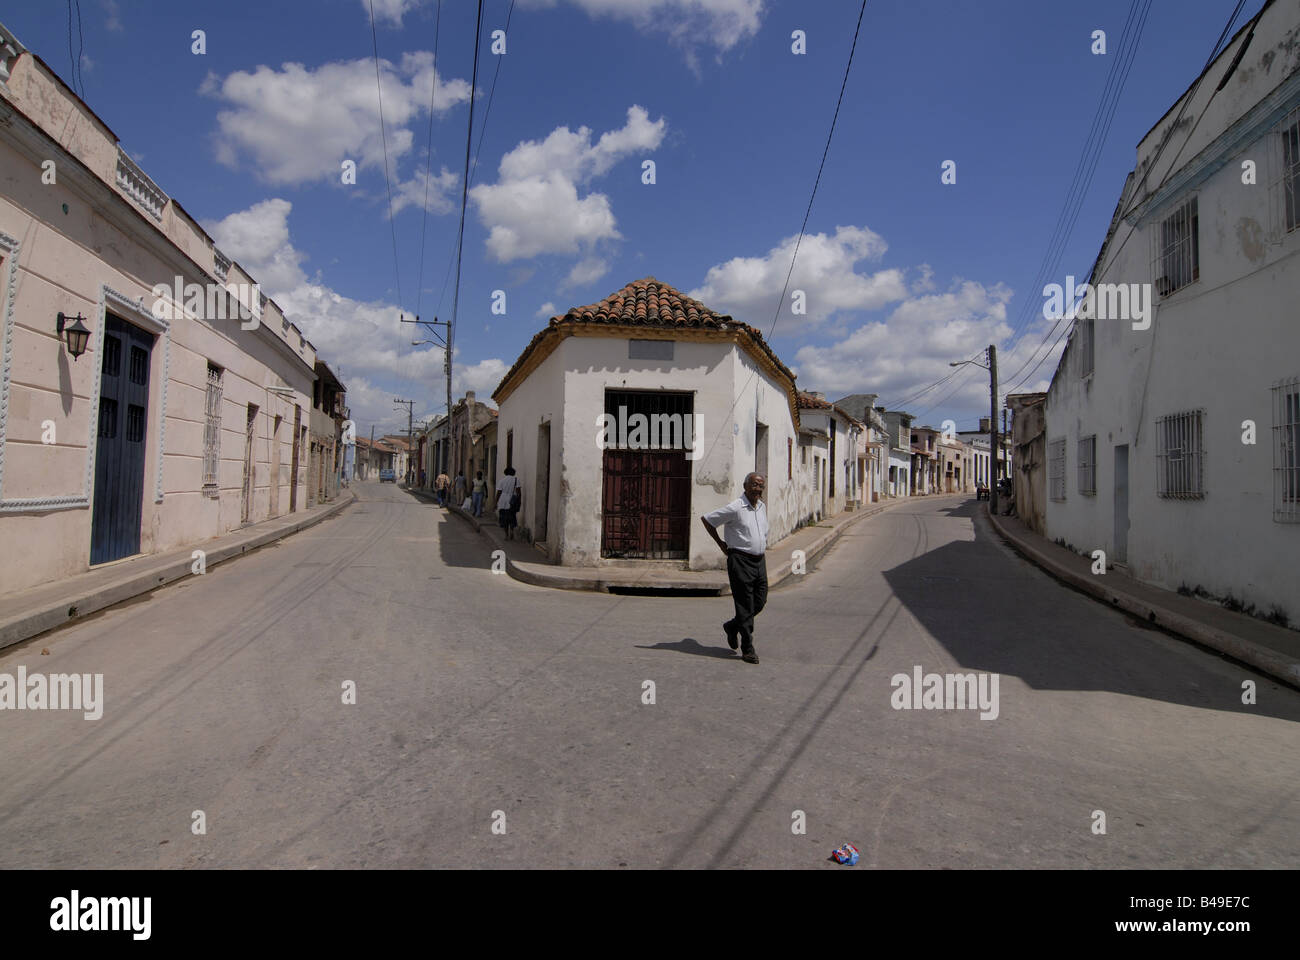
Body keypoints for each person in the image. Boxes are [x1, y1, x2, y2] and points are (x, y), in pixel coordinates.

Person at [700, 472, 769, 665]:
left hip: (759, 561)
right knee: (745, 604)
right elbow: (708, 520)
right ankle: (748, 648)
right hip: (740, 561)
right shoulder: (736, 507)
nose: (758, 489)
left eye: (761, 486)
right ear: (745, 486)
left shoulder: (761, 507)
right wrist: (721, 544)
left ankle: (733, 626)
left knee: (760, 600)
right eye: (754, 485)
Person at [496, 467, 521, 540]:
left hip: (503, 501)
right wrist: (519, 501)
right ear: (513, 473)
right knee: (512, 517)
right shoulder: (516, 480)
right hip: (512, 502)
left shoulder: (502, 481)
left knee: (504, 519)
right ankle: (512, 530)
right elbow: (519, 492)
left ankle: (506, 534)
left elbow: (499, 492)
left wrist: (496, 502)